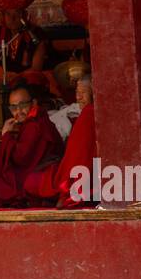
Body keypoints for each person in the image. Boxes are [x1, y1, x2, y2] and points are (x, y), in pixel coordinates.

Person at [0, 81, 63, 209]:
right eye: (13, 107)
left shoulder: (34, 125)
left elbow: (20, 158)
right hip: (35, 173)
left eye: (22, 105)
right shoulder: (38, 120)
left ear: (33, 103)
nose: (18, 111)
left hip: (31, 178)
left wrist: (6, 136)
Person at [23, 74, 98, 208]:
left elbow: (79, 160)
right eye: (77, 92)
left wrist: (67, 190)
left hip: (75, 180)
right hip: (83, 176)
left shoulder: (89, 114)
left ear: (95, 93)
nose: (78, 97)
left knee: (30, 181)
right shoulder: (90, 113)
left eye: (83, 93)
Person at [0, 7, 47, 90]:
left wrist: (15, 79)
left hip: (26, 81)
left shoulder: (35, 33)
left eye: (17, 13)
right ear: (3, 16)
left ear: (24, 15)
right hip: (2, 81)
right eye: (8, 14)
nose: (12, 18)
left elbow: (36, 68)